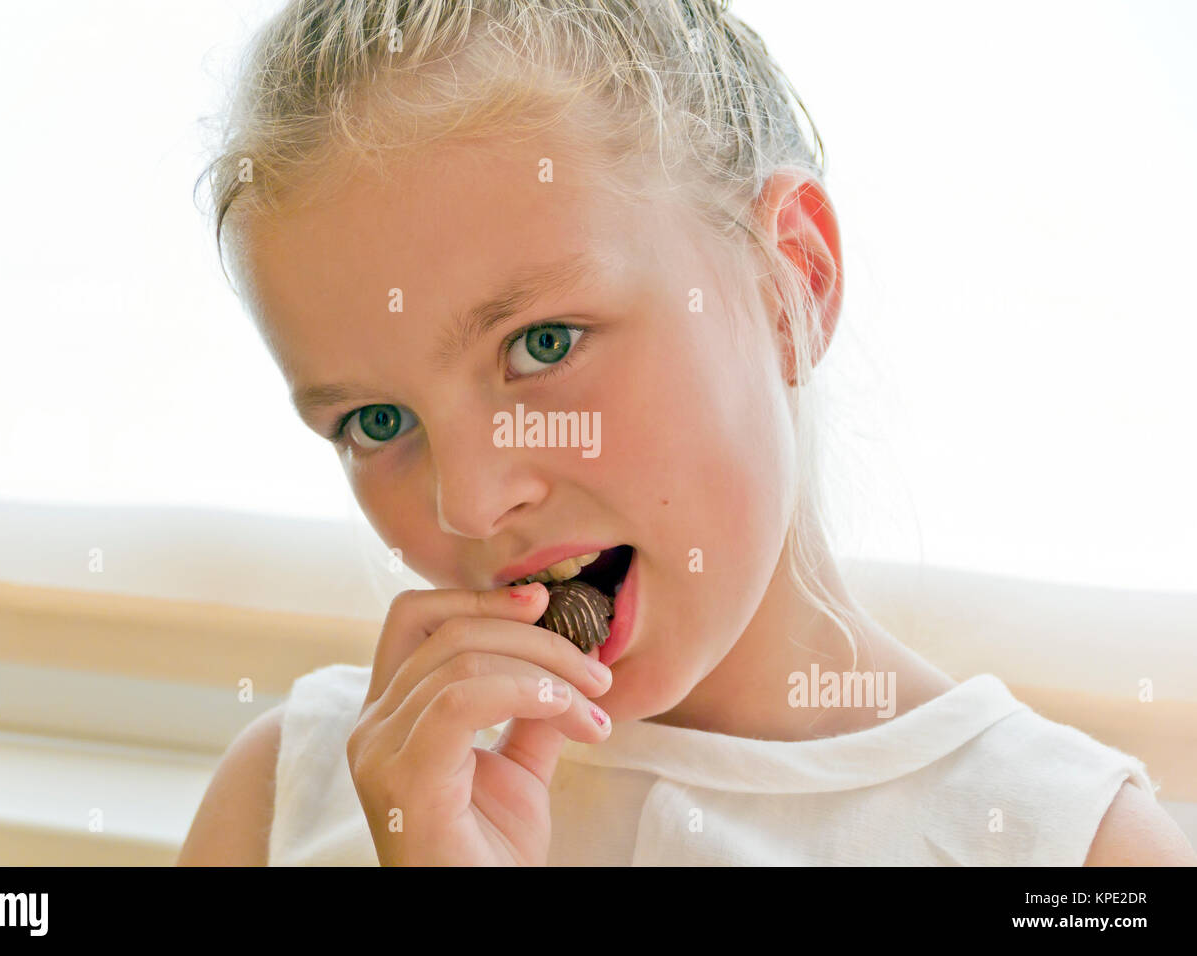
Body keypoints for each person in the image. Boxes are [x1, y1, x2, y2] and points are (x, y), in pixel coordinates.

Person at [177, 0, 1195, 866]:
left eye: (542, 343)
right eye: (378, 420)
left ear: (790, 276)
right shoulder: (284, 796)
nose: (471, 501)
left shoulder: (1070, 846)